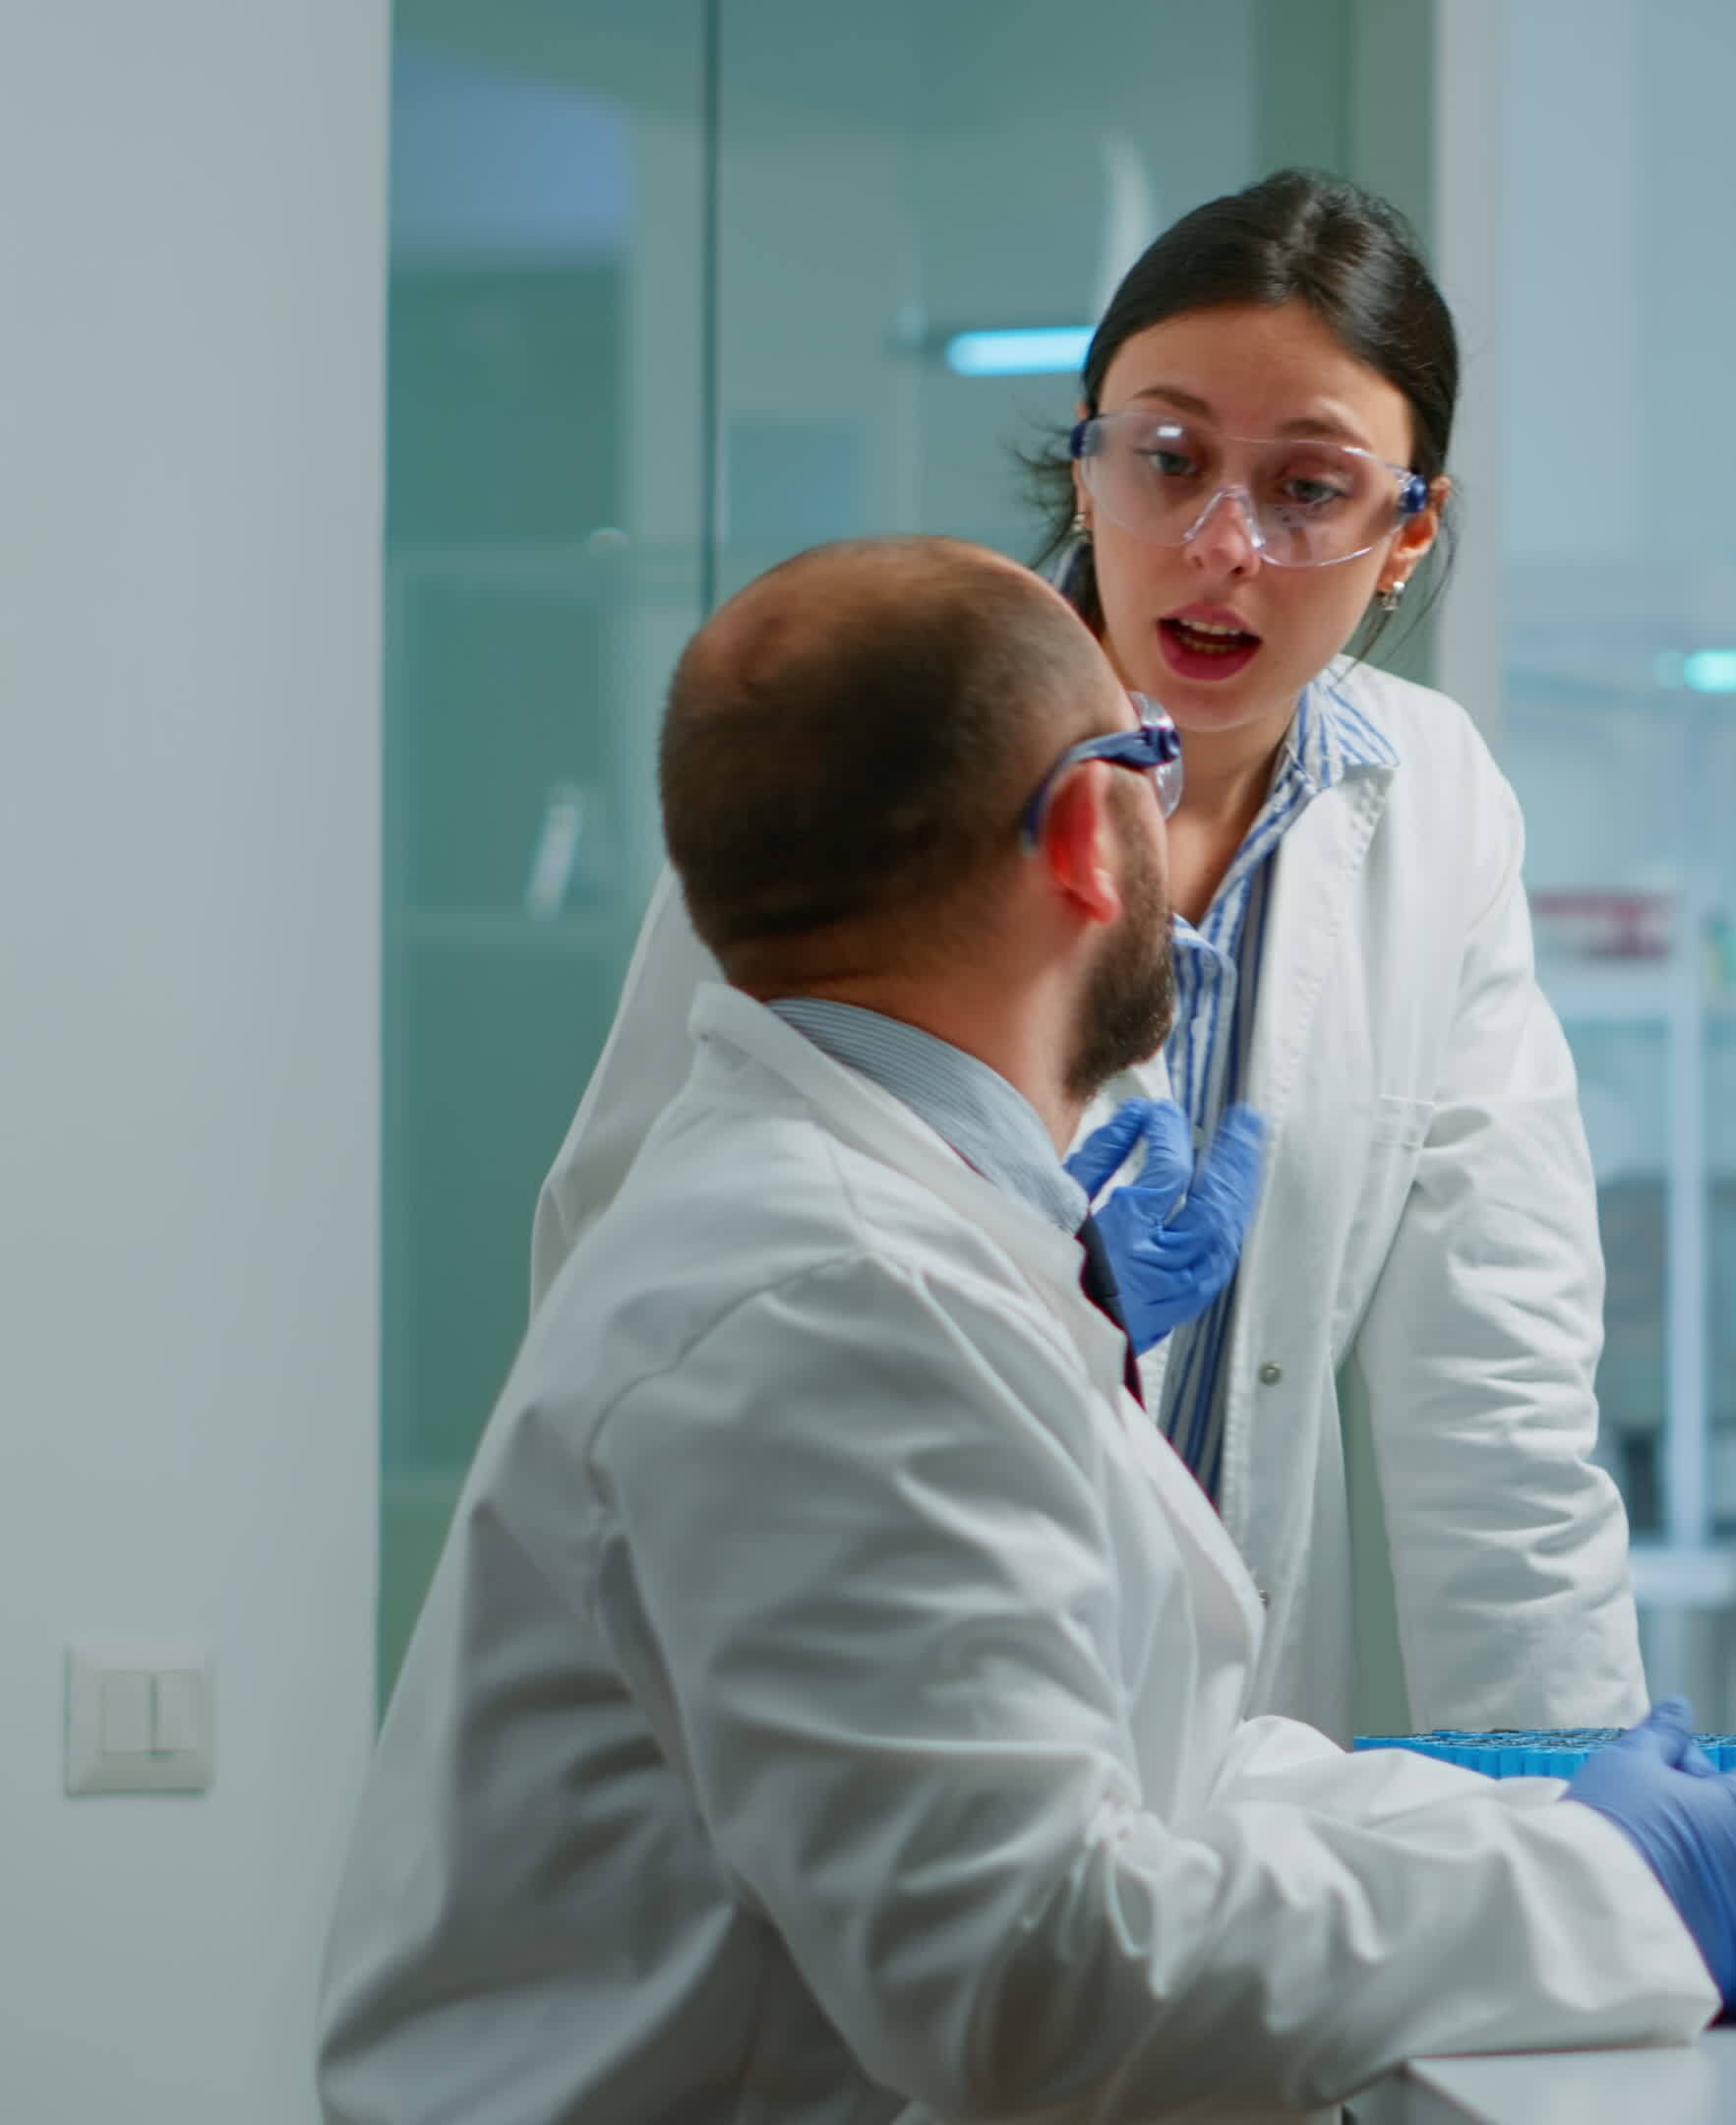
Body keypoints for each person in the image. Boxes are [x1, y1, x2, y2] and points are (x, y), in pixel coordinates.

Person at [320, 539, 1736, 2124]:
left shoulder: (893, 1236)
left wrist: (1547, 1825)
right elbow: (1036, 1976)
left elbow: (1141, 1786)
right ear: (1084, 837)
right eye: (1147, 764)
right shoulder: (842, 1299)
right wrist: (1629, 1893)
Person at [532, 171, 1631, 1739]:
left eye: (1310, 488)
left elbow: (1500, 1401)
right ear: (1085, 457)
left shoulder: (1438, 804)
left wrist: (1596, 1836)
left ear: (1408, 532)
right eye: (1169, 460)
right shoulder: (885, 738)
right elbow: (637, 1251)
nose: (1220, 542)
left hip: (1209, 1748)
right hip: (828, 1668)